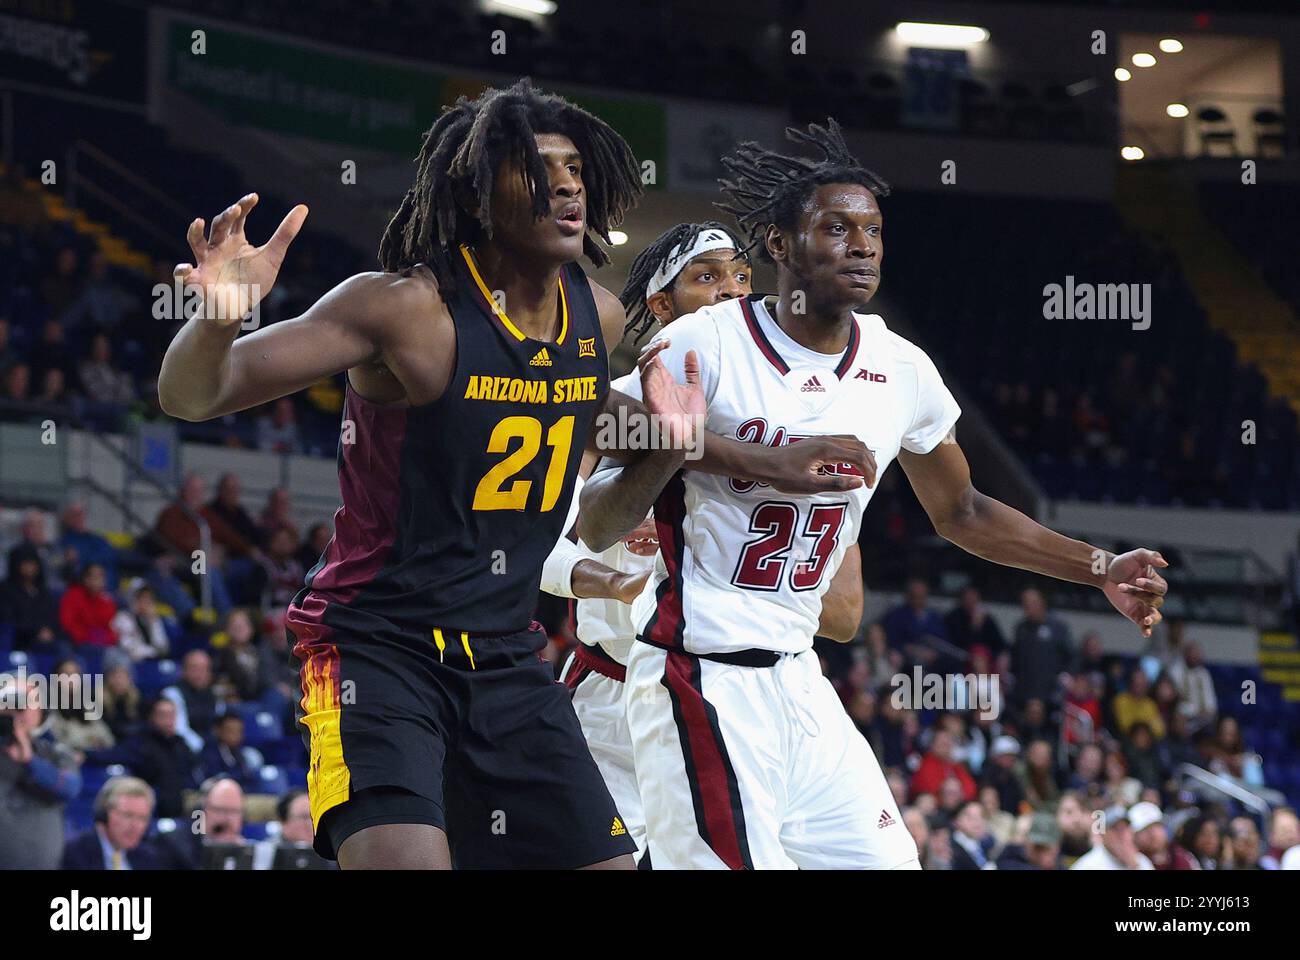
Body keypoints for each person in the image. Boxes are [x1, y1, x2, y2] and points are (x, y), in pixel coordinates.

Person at [156, 80, 845, 870]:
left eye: (575, 168)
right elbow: (193, 394)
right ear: (477, 194)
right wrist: (216, 320)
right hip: (376, 649)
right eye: (534, 167)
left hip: (507, 656)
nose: (565, 184)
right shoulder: (403, 308)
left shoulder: (599, 314)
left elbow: (602, 470)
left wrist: (718, 451)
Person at [579, 119, 1169, 870]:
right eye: (836, 228)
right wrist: (769, 460)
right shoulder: (713, 340)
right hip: (697, 671)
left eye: (873, 230)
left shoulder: (902, 367)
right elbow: (598, 415)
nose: (861, 245)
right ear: (780, 247)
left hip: (799, 676)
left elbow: (964, 512)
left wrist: (1099, 567)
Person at [0, 675, 82, 868]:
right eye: (9, 700)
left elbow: (70, 788)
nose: (16, 710)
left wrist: (31, 761)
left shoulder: (55, 754)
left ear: (42, 713)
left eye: (25, 702)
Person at [61, 776, 161, 870]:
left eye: (142, 818)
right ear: (104, 814)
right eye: (128, 815)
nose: (135, 826)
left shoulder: (148, 857)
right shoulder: (76, 853)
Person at [1071, 805, 1155, 870]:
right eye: (1115, 829)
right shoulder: (1088, 865)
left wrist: (1135, 867)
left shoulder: (1141, 861)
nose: (1122, 834)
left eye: (1125, 828)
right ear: (1103, 834)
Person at [1129, 800, 1198, 870]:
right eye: (1144, 830)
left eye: (1156, 827)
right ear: (1134, 836)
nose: (1153, 834)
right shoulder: (1132, 861)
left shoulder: (1183, 856)